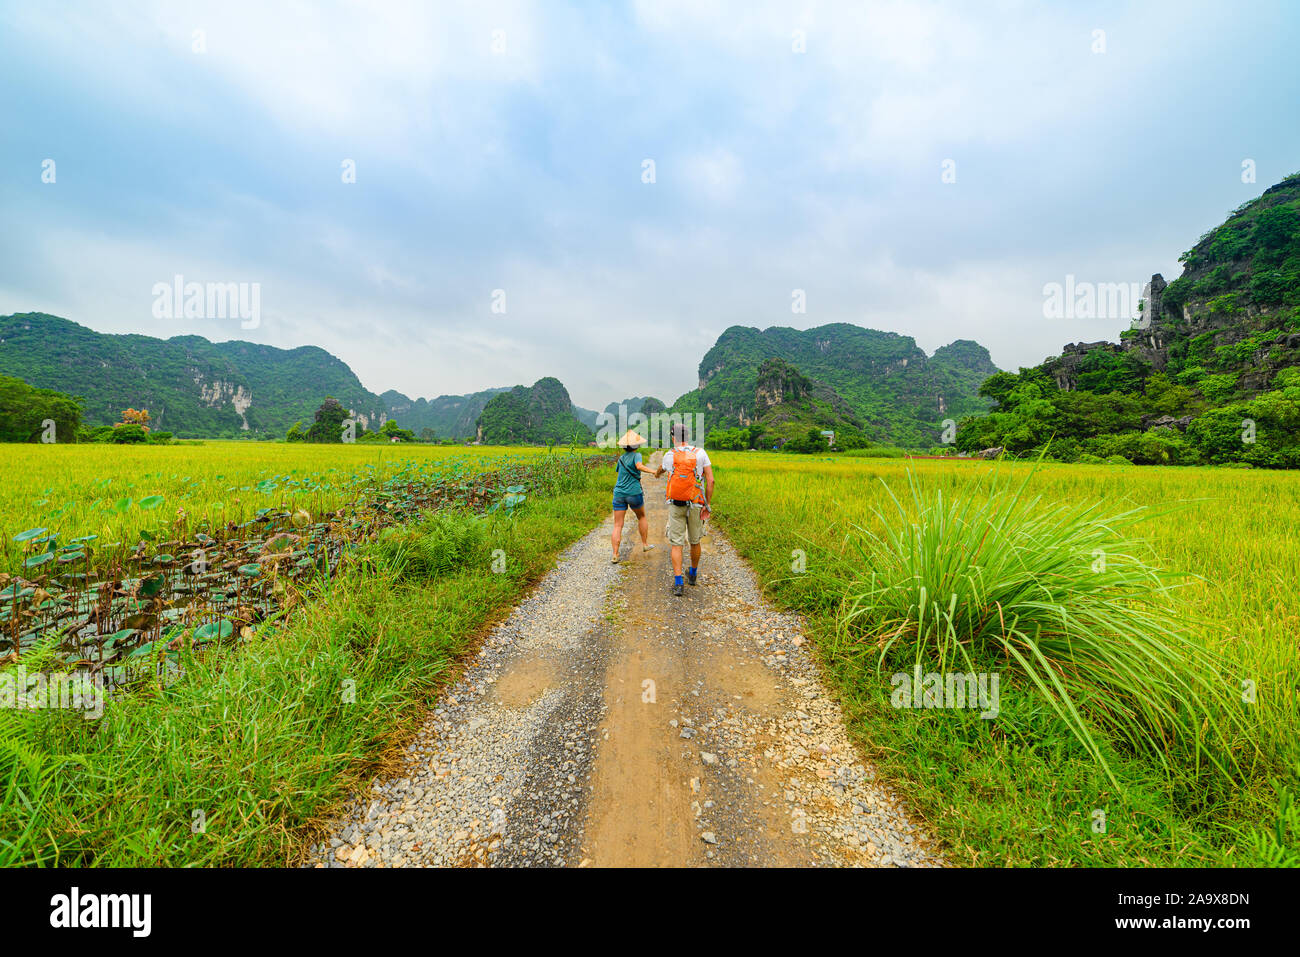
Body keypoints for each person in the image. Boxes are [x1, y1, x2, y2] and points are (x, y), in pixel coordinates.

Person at [654, 424, 714, 596]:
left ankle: (679, 583)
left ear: (673, 437)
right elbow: (710, 481)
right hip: (696, 503)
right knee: (695, 541)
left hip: (676, 504)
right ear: (688, 436)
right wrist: (707, 505)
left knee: (676, 543)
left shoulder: (670, 455)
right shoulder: (701, 453)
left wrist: (657, 474)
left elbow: (661, 469)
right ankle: (693, 574)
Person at [611, 430, 656, 563]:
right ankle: (645, 544)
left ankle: (615, 554)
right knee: (641, 516)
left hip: (619, 493)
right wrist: (653, 471)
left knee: (617, 525)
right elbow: (639, 466)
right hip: (634, 492)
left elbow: (620, 472)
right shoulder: (637, 455)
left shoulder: (621, 458)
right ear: (636, 445)